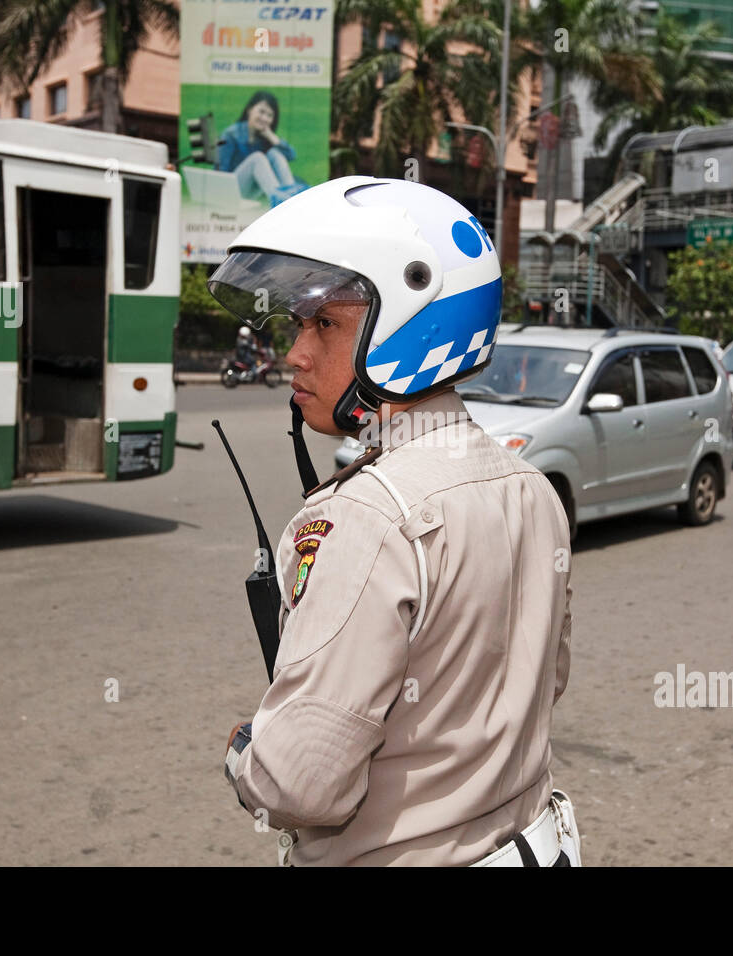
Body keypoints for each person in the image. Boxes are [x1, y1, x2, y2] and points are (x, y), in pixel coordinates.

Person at [208, 177, 579, 866]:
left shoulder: (368, 517)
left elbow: (303, 784)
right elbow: (542, 680)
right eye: (296, 324)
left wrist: (244, 756)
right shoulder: (533, 490)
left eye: (323, 323)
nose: (295, 352)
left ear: (410, 325)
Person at [216, 91, 306, 206]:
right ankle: (279, 202)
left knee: (274, 154)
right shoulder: (230, 134)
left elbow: (291, 155)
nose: (264, 118)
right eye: (261, 112)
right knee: (257, 158)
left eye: (270, 115)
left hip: (252, 191)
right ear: (250, 110)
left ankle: (292, 199)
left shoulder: (263, 136)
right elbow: (220, 173)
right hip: (230, 191)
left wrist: (273, 138)